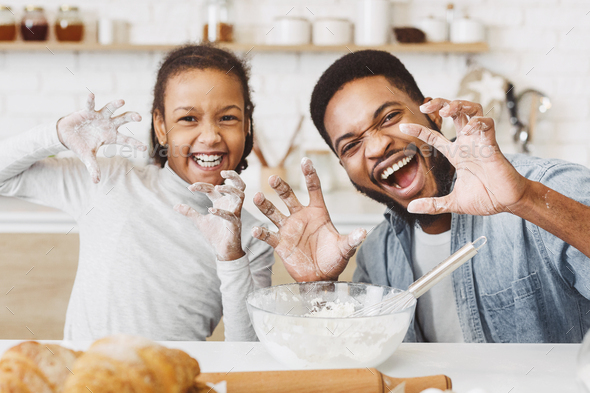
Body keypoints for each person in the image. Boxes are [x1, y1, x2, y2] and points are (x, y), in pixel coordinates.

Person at [250, 50, 590, 343]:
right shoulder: (377, 256)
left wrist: (525, 199)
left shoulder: (544, 187)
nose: (377, 146)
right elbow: (359, 364)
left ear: (429, 112)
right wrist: (321, 287)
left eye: (389, 117)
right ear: (345, 169)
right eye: (351, 146)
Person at [0, 44, 273, 341]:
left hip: (172, 385)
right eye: (188, 119)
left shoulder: (252, 238)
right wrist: (56, 135)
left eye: (228, 118)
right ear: (160, 126)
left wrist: (232, 258)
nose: (209, 136)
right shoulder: (108, 179)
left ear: (247, 125)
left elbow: (247, 352)